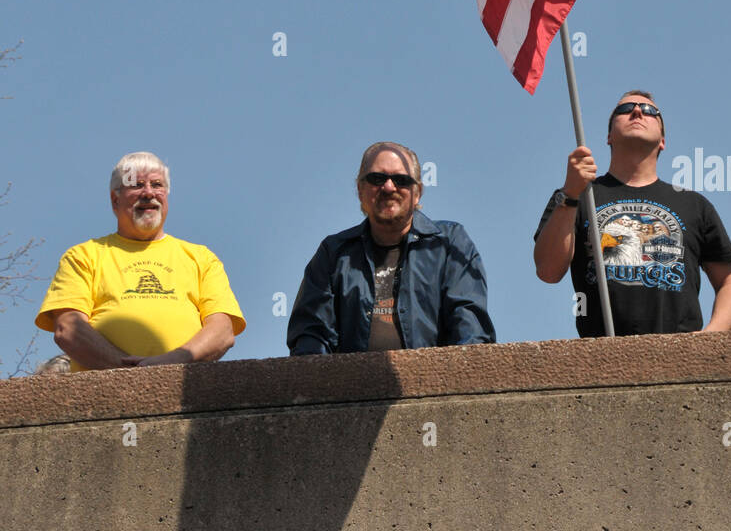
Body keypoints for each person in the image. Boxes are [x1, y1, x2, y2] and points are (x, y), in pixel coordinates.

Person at [534, 91, 731, 336]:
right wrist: (570, 193)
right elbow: (548, 271)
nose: (637, 112)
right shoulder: (577, 197)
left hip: (679, 359)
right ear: (609, 136)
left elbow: (730, 285)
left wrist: (708, 338)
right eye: (625, 110)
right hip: (600, 357)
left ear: (663, 140)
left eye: (649, 111)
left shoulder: (695, 205)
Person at [35, 151, 245, 371]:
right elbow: (68, 328)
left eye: (157, 185)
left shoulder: (202, 258)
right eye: (136, 185)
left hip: (188, 393)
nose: (148, 193)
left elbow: (222, 331)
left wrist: (169, 365)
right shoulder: (83, 256)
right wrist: (131, 374)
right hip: (102, 395)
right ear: (115, 200)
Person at [288, 140, 495, 353]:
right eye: (377, 178)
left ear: (418, 192)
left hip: (431, 384)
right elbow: (311, 335)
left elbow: (469, 329)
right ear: (360, 190)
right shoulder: (333, 254)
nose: (388, 187)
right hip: (352, 385)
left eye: (401, 180)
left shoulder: (449, 244)